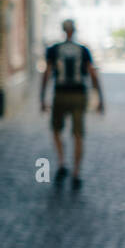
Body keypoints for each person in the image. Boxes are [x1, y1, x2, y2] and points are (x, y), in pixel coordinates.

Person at [40, 19, 104, 190]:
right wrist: (100, 98)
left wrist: (42, 97)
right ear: (74, 31)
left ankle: (62, 162)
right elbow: (92, 74)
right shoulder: (83, 50)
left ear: (63, 31)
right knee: (78, 135)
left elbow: (47, 73)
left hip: (60, 93)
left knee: (56, 130)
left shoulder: (54, 50)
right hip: (78, 94)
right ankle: (76, 172)